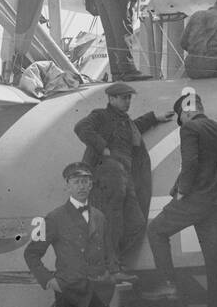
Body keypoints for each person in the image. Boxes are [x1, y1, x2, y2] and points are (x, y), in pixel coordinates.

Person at [142, 93, 217, 307]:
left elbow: (190, 163)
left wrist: (183, 190)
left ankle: (169, 284)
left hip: (197, 200)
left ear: (186, 112)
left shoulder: (189, 128)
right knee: (215, 264)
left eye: (181, 118)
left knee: (156, 231)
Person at [22, 162, 116, 307]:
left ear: (91, 184)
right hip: (70, 294)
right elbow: (31, 253)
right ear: (68, 186)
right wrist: (49, 280)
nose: (82, 186)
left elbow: (109, 251)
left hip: (97, 295)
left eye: (85, 181)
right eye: (76, 182)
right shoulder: (54, 217)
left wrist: (109, 275)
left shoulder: (99, 216)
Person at [73, 81, 174, 273]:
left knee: (136, 223)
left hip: (125, 176)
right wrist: (103, 148)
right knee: (113, 220)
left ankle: (112, 260)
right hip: (109, 173)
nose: (128, 101)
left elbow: (133, 129)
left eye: (129, 98)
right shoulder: (101, 115)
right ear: (111, 99)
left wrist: (153, 117)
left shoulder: (125, 121)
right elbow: (81, 127)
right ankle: (110, 266)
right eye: (123, 98)